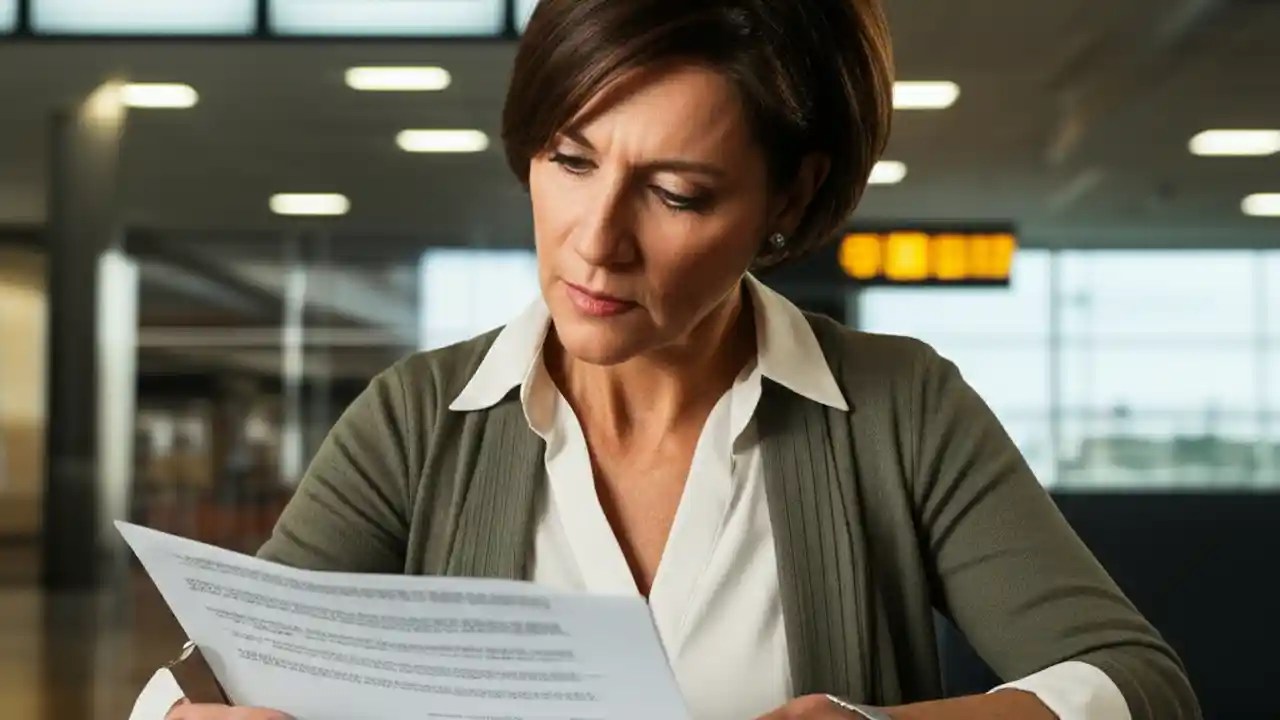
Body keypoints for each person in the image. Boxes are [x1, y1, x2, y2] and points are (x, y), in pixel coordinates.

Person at [163, 0, 1200, 718]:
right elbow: (203, 677)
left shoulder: (900, 410)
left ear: (787, 201)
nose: (594, 240)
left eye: (675, 194)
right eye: (569, 161)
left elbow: (1131, 684)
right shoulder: (416, 418)